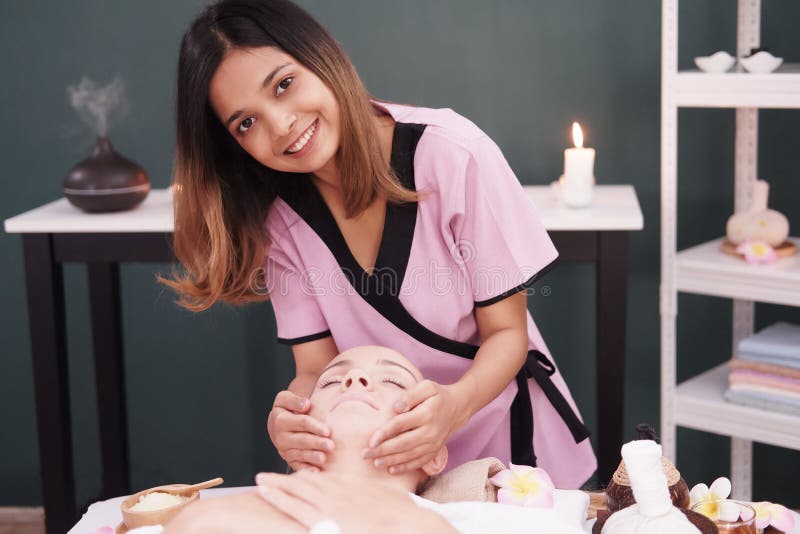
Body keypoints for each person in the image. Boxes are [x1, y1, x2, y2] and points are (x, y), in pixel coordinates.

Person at [162, 0, 595, 487]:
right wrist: (294, 418)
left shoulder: (453, 155)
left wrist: (452, 408)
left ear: (321, 56)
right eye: (246, 123)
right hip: (383, 471)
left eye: (284, 85)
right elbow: (315, 368)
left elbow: (508, 335)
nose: (280, 125)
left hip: (511, 455)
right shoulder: (281, 224)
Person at [159, 346, 589, 534]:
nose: (354, 377)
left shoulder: (475, 523)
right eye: (330, 381)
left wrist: (408, 527)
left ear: (435, 457)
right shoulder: (222, 519)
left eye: (390, 379)